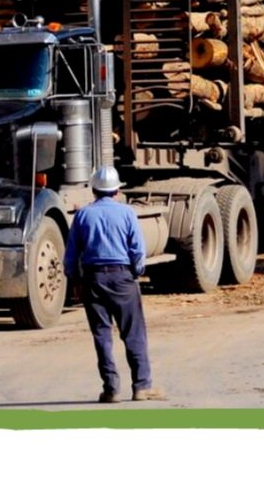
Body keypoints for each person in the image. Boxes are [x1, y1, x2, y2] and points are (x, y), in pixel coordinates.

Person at [65, 165, 164, 403]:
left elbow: (71, 256)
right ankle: (141, 387)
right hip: (122, 278)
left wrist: (75, 280)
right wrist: (135, 272)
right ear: (117, 190)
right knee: (134, 333)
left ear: (94, 190)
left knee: (102, 335)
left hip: (93, 278)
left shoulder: (82, 215)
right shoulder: (127, 213)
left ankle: (111, 389)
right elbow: (137, 250)